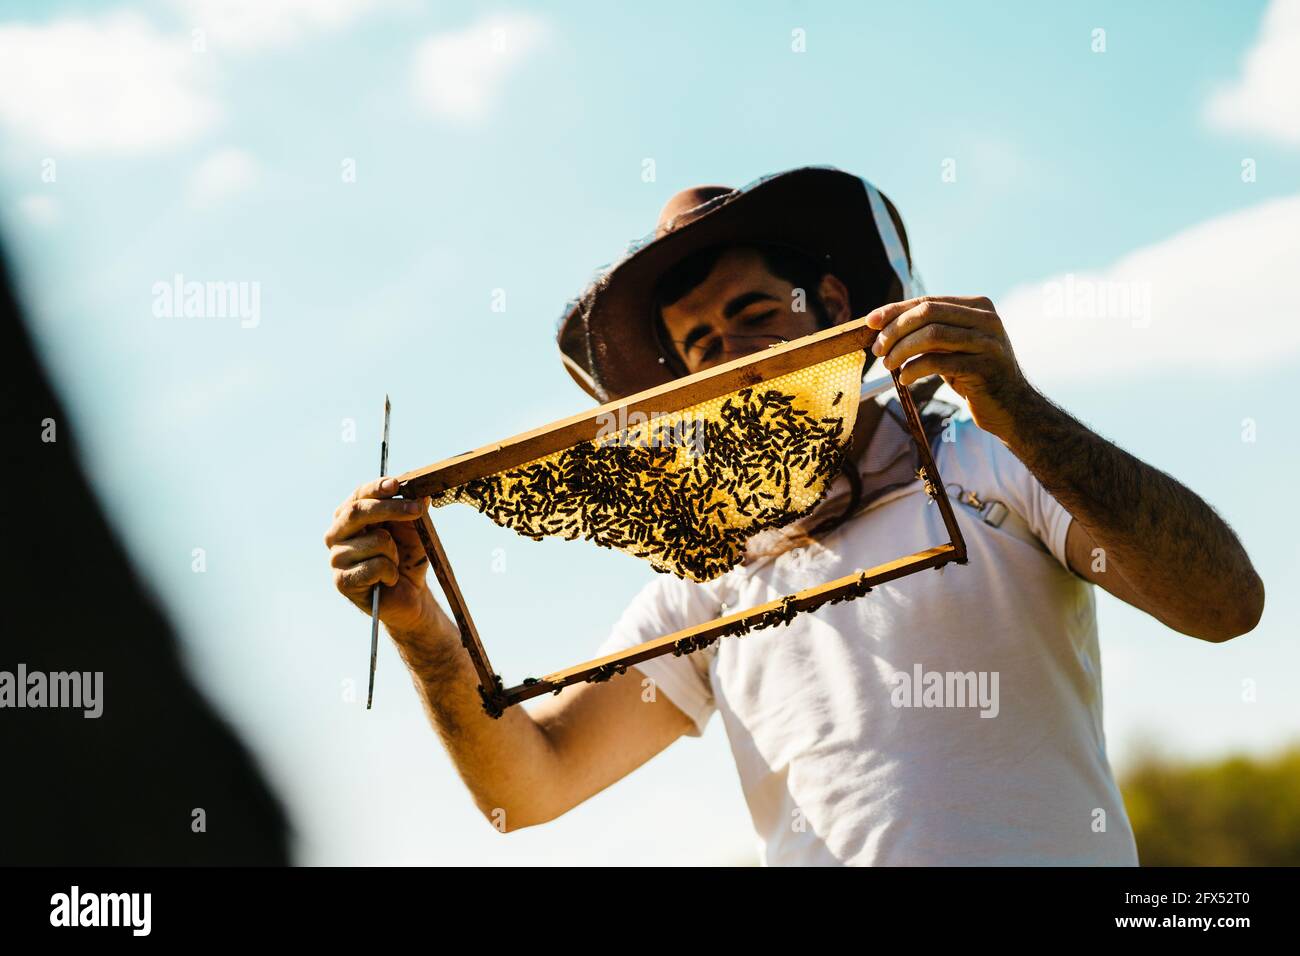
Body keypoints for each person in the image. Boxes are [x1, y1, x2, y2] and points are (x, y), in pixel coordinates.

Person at [324, 166, 1264, 865]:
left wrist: (1015, 403)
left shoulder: (988, 461)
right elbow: (526, 789)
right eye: (700, 345)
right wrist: (420, 629)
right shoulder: (708, 577)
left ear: (836, 307)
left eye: (753, 312)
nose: (732, 354)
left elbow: (1224, 604)